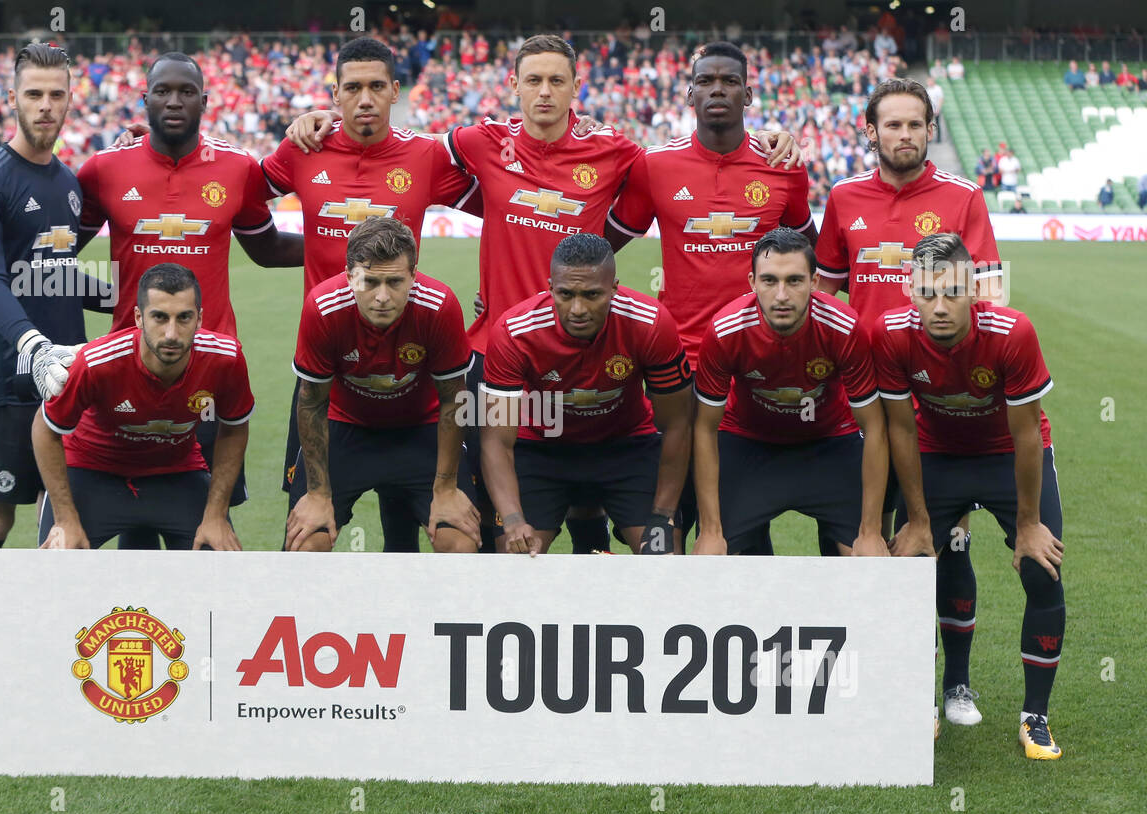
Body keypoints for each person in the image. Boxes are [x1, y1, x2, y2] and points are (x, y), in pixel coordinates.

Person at [289, 34, 800, 555]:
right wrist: (323, 119)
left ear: (577, 86)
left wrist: (766, 138)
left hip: (586, 342)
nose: (545, 92)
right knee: (491, 520)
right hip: (496, 352)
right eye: (533, 80)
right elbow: (395, 145)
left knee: (592, 466)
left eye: (557, 80)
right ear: (513, 84)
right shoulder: (479, 141)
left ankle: (591, 574)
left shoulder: (616, 150)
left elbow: (690, 164)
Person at [261, 37, 480, 553]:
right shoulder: (302, 150)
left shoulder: (423, 155)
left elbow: (506, 200)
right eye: (352, 88)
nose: (365, 99)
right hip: (331, 375)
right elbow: (231, 194)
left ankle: (417, 632)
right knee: (305, 537)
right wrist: (143, 146)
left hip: (414, 377)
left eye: (376, 87)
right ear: (334, 94)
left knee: (439, 539)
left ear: (395, 91)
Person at [77, 52, 304, 546]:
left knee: (205, 531)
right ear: (146, 100)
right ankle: (133, 622)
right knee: (132, 521)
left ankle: (191, 623)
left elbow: (266, 249)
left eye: (185, 92)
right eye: (163, 91)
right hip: (128, 368)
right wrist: (110, 301)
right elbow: (55, 252)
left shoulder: (236, 168)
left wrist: (341, 244)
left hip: (209, 373)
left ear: (205, 101)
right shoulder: (103, 169)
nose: (174, 101)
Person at [604, 40, 815, 543]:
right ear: (689, 93)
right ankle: (667, 617)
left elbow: (816, 261)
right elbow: (601, 243)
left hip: (755, 362)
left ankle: (741, 614)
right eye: (705, 81)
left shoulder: (783, 167)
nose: (716, 89)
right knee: (667, 517)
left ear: (748, 93)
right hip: (677, 362)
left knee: (744, 519)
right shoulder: (655, 166)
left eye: (729, 81)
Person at [874, 232, 1066, 760]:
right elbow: (901, 433)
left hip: (1008, 457)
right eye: (927, 293)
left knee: (1040, 567)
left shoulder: (1012, 332)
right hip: (937, 454)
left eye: (952, 292)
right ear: (910, 289)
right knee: (914, 567)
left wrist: (1028, 525)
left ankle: (1036, 717)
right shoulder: (890, 334)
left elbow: (1027, 434)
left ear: (975, 290)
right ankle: (932, 696)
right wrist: (917, 519)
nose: (939, 306)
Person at [815, 76, 1001, 595]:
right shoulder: (844, 196)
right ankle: (854, 660)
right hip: (864, 394)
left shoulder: (963, 196)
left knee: (945, 540)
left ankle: (956, 676)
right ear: (871, 132)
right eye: (892, 125)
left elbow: (989, 299)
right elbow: (825, 297)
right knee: (854, 537)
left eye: (915, 125)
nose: (904, 135)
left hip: (935, 394)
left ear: (929, 129)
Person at [0, 42, 89, 731]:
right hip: (8, 377)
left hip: (69, 379)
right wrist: (31, 344)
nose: (44, 105)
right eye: (33, 93)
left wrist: (134, 301)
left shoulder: (68, 181)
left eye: (55, 94)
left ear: (71, 98)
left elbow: (56, 271)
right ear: (13, 97)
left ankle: (42, 670)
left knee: (63, 522)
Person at [480, 233, 693, 556]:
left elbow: (677, 424)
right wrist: (512, 519)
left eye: (592, 294)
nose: (578, 308)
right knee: (517, 560)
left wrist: (662, 515)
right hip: (541, 449)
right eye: (566, 294)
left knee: (663, 559)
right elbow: (496, 439)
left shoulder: (650, 324)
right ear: (550, 286)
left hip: (627, 448)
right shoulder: (514, 332)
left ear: (614, 287)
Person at [284, 217, 480, 553]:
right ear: (349, 276)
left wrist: (446, 488)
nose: (382, 297)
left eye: (395, 282)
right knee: (306, 546)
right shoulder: (323, 307)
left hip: (423, 429)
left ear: (413, 275)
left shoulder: (439, 305)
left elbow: (454, 399)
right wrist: (318, 493)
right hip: (345, 428)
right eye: (370, 282)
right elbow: (312, 402)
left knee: (461, 545)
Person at [692, 228, 888, 557]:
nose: (781, 295)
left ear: (814, 281)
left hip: (830, 442)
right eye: (770, 281)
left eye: (794, 281)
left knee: (867, 560)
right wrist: (711, 530)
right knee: (713, 560)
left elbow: (874, 426)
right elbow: (704, 428)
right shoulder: (725, 331)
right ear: (752, 282)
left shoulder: (844, 328)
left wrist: (870, 530)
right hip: (748, 442)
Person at [34, 263, 253, 551]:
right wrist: (65, 519)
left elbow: (235, 428)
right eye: (159, 317)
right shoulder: (97, 362)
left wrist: (215, 515)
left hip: (176, 472)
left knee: (216, 564)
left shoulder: (227, 358)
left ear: (199, 319)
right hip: (91, 469)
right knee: (58, 565)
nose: (172, 333)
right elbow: (44, 427)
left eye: (184, 317)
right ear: (138, 317)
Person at [925, 76, 945, 141]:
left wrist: (938, 109)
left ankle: (939, 139)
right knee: (929, 124)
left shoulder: (938, 89)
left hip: (936, 109)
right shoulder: (928, 89)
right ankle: (929, 138)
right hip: (930, 110)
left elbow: (941, 99)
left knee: (937, 123)